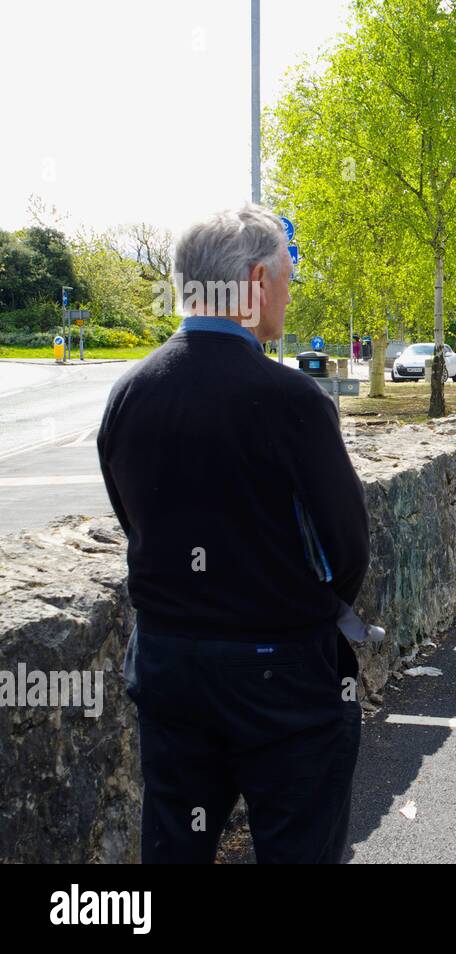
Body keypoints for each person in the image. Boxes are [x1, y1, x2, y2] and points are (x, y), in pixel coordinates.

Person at [97, 204, 370, 863]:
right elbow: (347, 548)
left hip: (169, 664)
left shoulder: (129, 392)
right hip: (280, 674)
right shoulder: (294, 400)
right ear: (252, 283)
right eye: (284, 275)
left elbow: (133, 521)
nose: (288, 290)